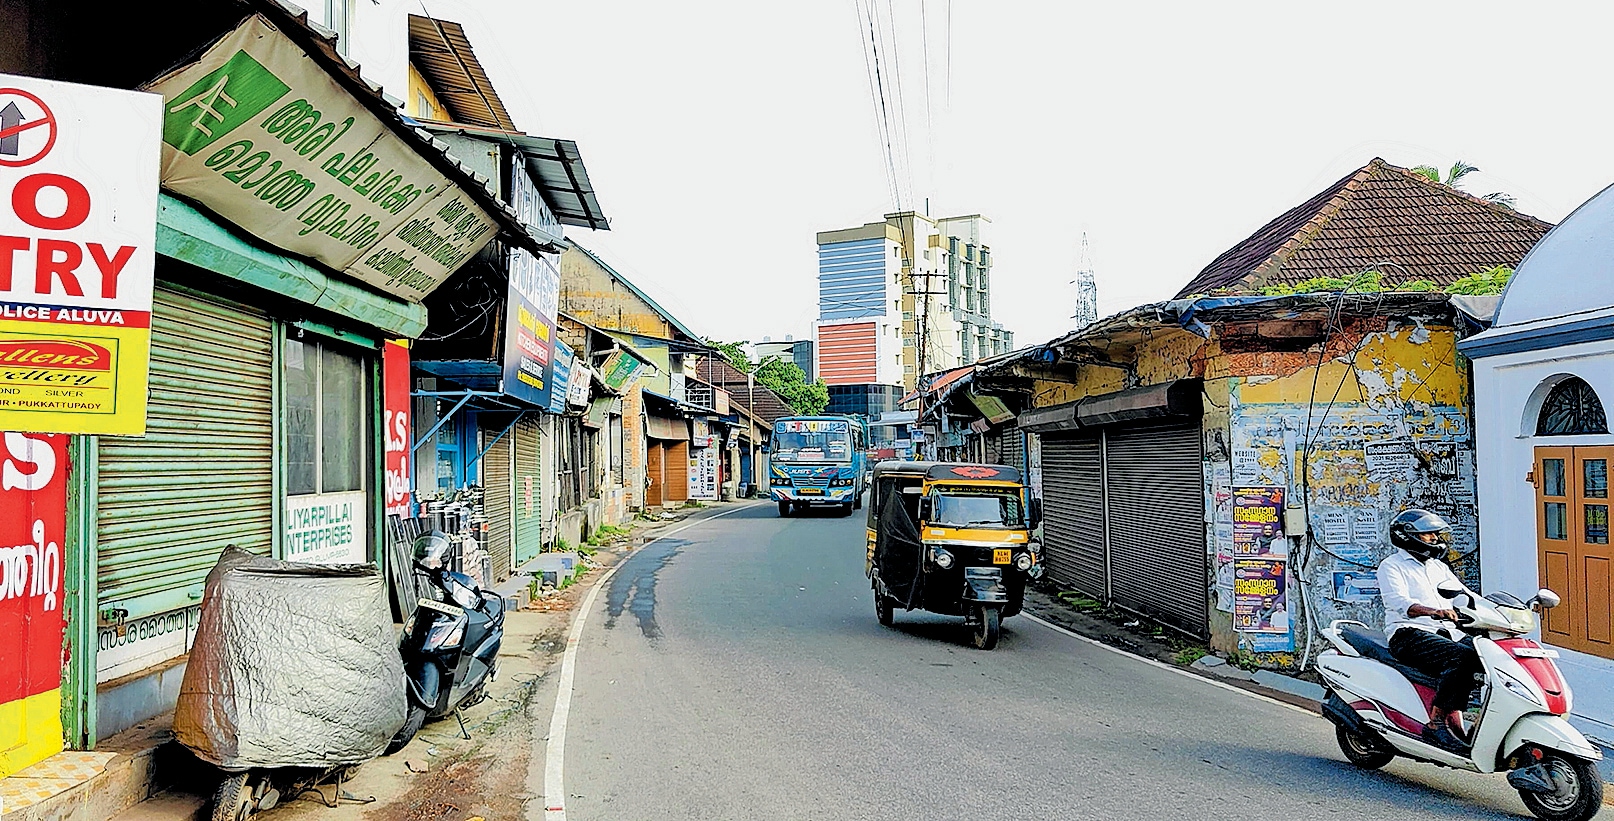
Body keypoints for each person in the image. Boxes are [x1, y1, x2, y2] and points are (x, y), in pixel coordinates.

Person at [1377, 508, 1481, 754]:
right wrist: (1433, 611)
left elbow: (1463, 595)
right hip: (1408, 633)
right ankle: (1435, 724)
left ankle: (1468, 720)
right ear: (1408, 536)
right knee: (1462, 657)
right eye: (1428, 534)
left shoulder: (1438, 567)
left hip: (1445, 632)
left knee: (1485, 656)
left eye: (1435, 534)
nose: (1435, 539)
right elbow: (1399, 603)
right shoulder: (1392, 566)